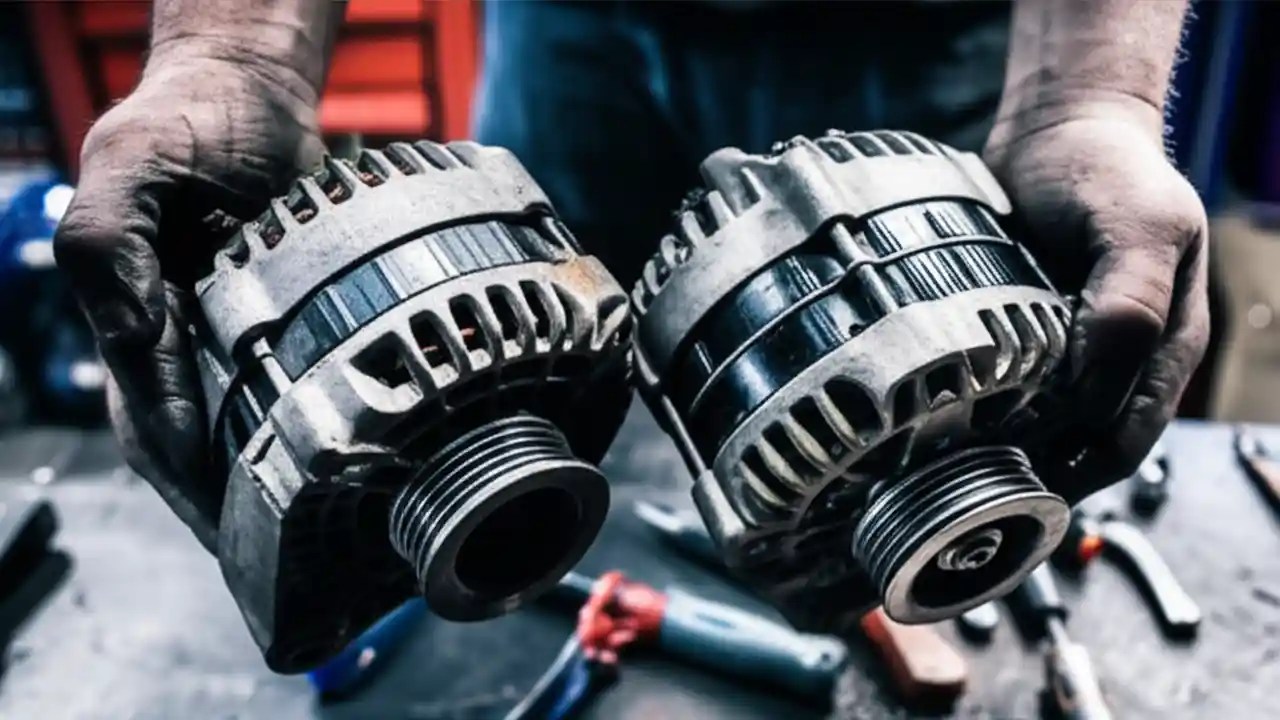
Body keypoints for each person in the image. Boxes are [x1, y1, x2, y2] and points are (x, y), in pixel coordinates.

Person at [52, 0, 1208, 627]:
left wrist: (1083, 97)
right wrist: (233, 52)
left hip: (912, 38)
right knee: (554, 365)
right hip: (571, 33)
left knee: (857, 442)